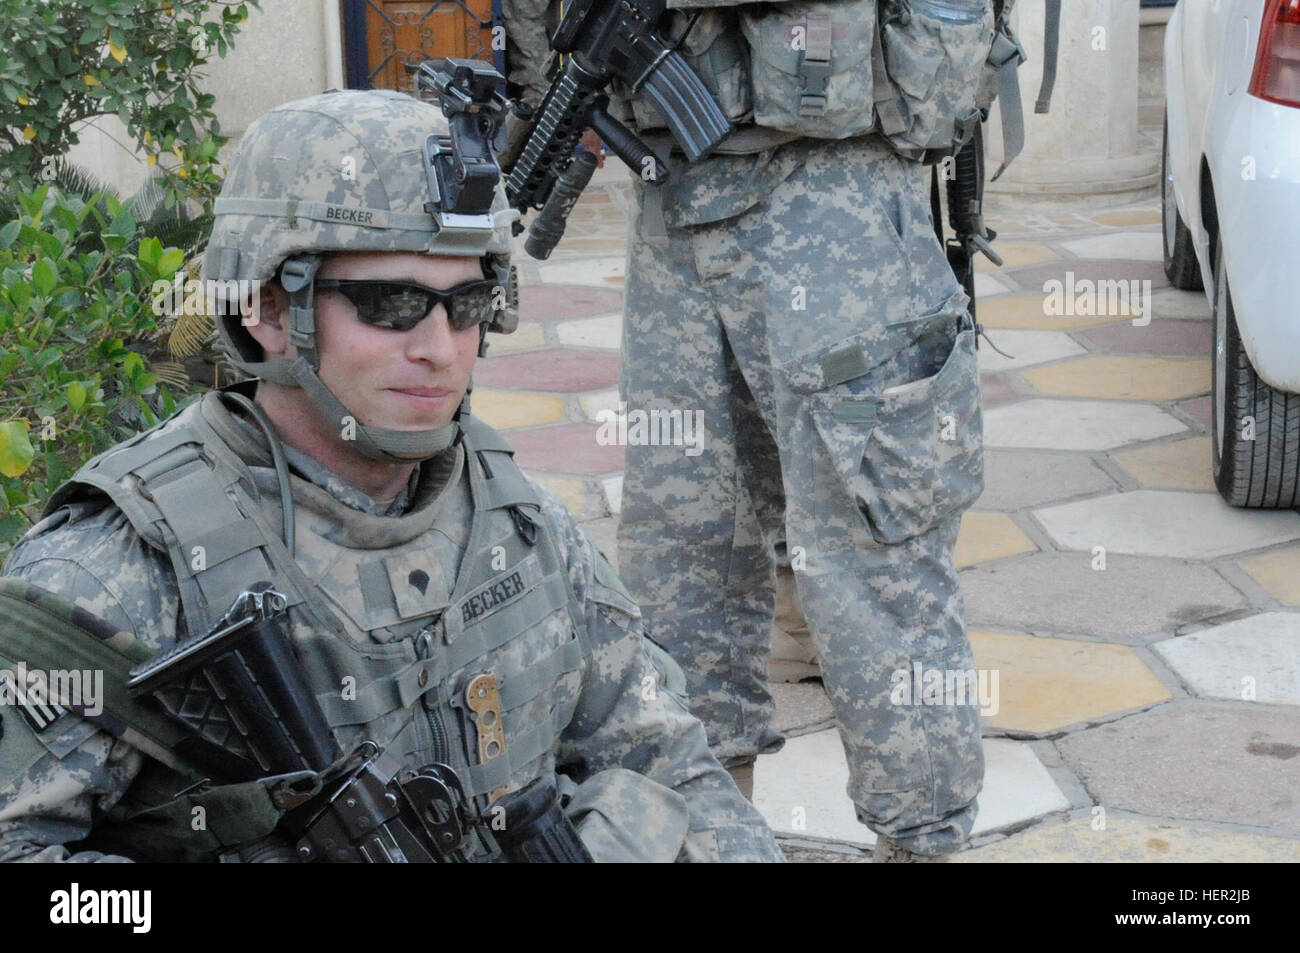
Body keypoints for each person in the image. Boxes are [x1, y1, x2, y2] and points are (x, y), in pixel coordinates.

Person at [0, 88, 783, 863]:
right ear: (269, 309)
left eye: (467, 301)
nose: (441, 348)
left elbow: (667, 761)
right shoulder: (118, 569)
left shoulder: (518, 520)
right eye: (393, 303)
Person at [598, 2, 1003, 860]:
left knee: (871, 562)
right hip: (676, 194)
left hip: (834, 195)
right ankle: (706, 834)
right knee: (683, 554)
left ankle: (922, 843)